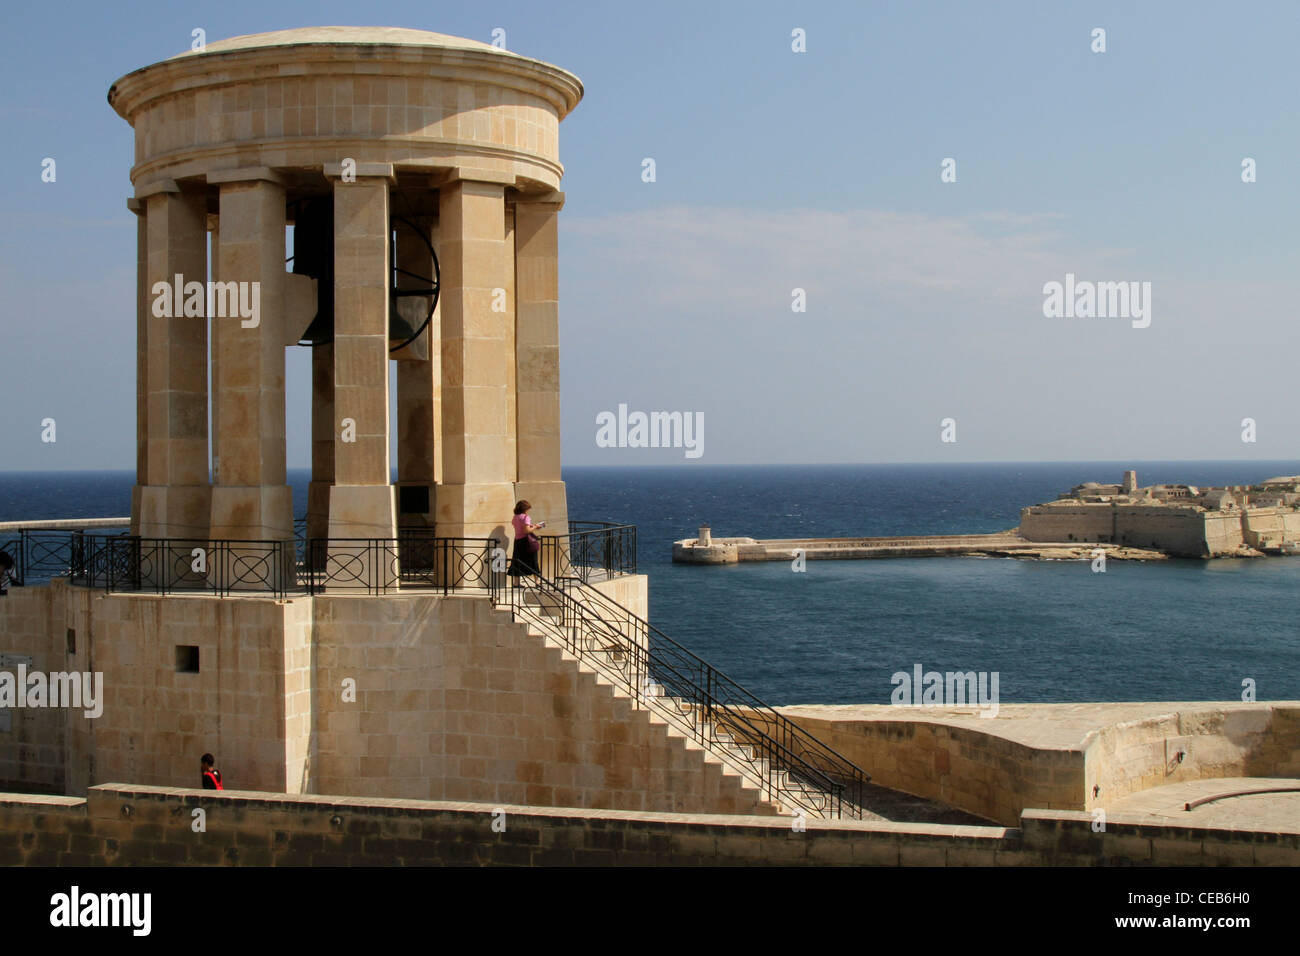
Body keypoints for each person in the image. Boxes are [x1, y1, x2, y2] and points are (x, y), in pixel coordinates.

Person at [506, 500, 545, 583]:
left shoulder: (515, 517)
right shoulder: (525, 517)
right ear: (525, 509)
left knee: (517, 561)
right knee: (533, 560)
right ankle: (537, 581)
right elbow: (526, 531)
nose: (528, 510)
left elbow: (519, 527)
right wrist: (535, 526)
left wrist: (531, 526)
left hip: (518, 541)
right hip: (526, 542)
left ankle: (516, 582)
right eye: (528, 509)